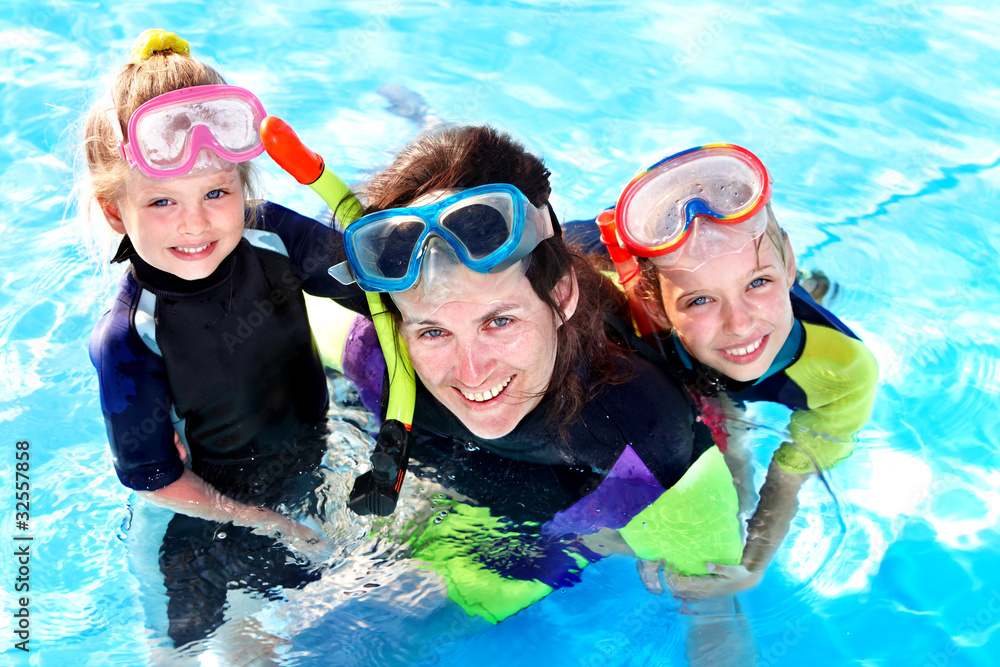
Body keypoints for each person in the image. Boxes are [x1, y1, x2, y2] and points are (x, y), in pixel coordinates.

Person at [314, 125, 749, 651]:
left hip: (569, 486)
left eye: (499, 322)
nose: (470, 371)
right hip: (463, 467)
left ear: (561, 296)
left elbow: (716, 619)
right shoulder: (376, 355)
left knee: (395, 632)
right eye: (433, 331)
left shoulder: (638, 427)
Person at [82, 29, 360, 647]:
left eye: (216, 192)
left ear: (244, 186)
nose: (195, 222)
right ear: (113, 210)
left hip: (308, 462)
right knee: (211, 654)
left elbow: (369, 281)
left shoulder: (272, 237)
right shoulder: (128, 339)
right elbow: (154, 479)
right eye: (161, 201)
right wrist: (270, 525)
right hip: (197, 522)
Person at [568, 143, 879, 598]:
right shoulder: (608, 318)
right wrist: (637, 536)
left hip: (699, 334)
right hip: (617, 292)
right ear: (655, 307)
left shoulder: (842, 371)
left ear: (786, 263)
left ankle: (802, 288)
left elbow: (791, 475)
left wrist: (753, 565)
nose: (740, 325)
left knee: (739, 483)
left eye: (759, 282)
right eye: (700, 299)